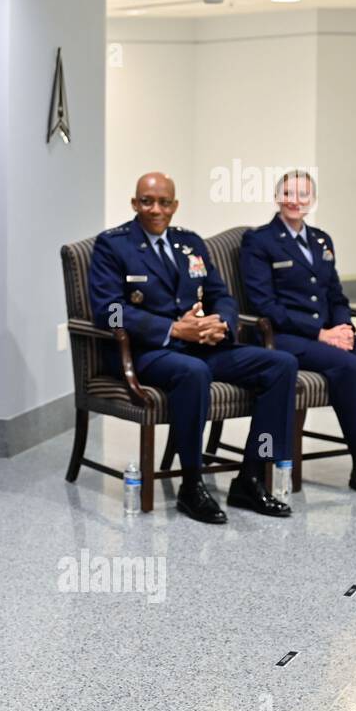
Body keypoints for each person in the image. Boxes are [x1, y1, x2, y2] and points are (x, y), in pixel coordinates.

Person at [90, 172, 297, 524]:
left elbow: (221, 296)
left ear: (175, 205)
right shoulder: (114, 245)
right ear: (134, 203)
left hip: (201, 345)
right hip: (148, 352)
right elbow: (107, 311)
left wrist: (222, 324)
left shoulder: (190, 244)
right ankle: (191, 483)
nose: (156, 209)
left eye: (164, 202)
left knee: (281, 364)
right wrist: (172, 329)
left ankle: (250, 477)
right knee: (193, 372)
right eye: (147, 201)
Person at [240, 170, 356, 498]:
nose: (295, 200)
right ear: (277, 198)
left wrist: (344, 327)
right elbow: (266, 305)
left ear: (312, 201)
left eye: (303, 194)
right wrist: (321, 334)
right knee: (349, 367)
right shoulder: (259, 241)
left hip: (328, 332)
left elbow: (336, 296)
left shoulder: (321, 240)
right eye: (288, 193)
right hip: (284, 336)